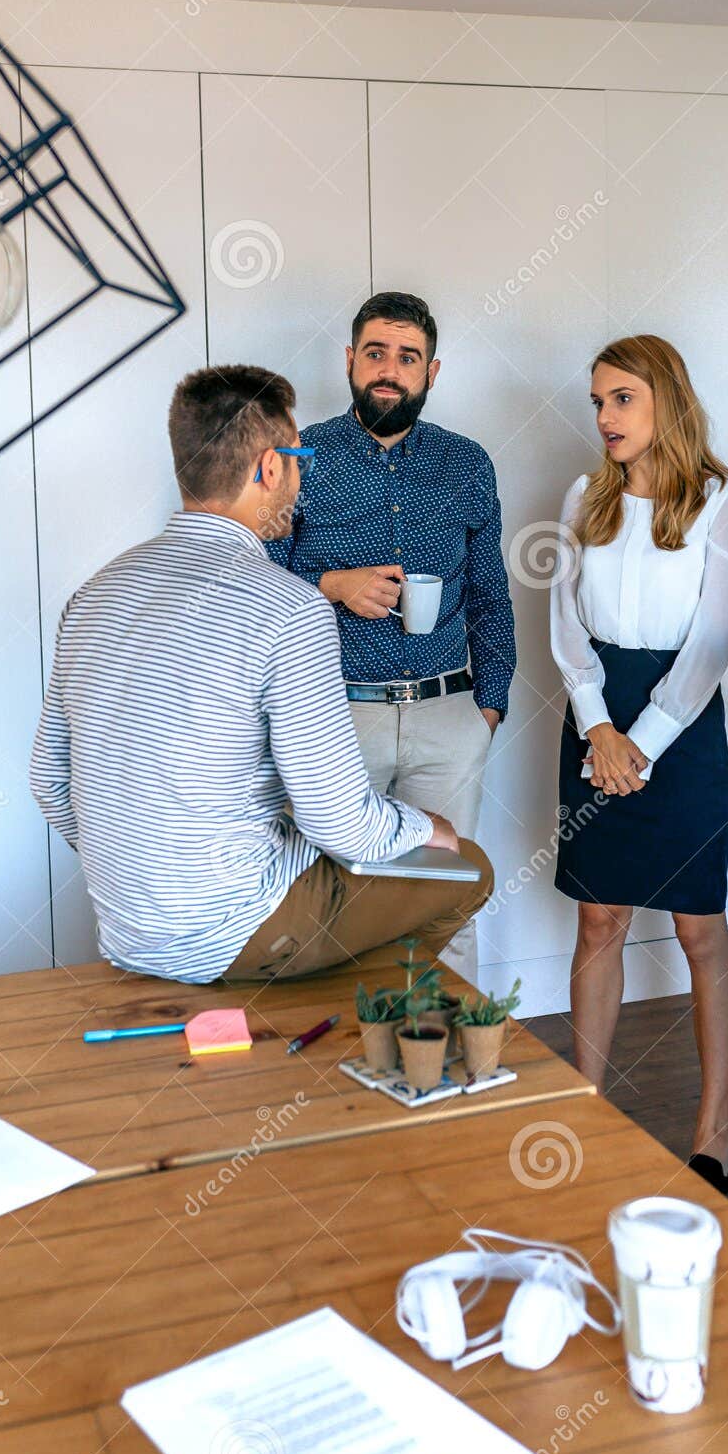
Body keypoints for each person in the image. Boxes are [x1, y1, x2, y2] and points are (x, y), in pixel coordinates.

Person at [30, 363, 493, 986]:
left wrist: (143, 875)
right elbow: (339, 821)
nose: (300, 479)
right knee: (469, 870)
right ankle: (345, 1014)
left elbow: (47, 781)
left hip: (124, 927)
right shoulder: (288, 608)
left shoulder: (96, 594)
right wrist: (428, 827)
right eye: (296, 459)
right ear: (270, 467)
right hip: (237, 931)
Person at [551, 334, 728, 1192]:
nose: (604, 417)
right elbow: (564, 622)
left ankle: (715, 1129)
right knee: (599, 921)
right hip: (595, 719)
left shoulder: (724, 501)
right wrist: (600, 730)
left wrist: (644, 743)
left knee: (698, 929)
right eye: (598, 400)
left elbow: (711, 644)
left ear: (666, 400)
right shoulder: (581, 497)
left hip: (683, 723)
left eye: (622, 399)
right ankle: (589, 1106)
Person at [265, 291, 516, 984]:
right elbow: (257, 589)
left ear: (431, 372)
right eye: (376, 353)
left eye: (408, 358)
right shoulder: (300, 456)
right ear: (350, 361)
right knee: (324, 908)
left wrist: (486, 711)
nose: (390, 369)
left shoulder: (468, 465)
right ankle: (338, 1075)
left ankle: (458, 1072)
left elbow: (492, 598)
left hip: (448, 717)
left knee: (449, 909)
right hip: (333, 719)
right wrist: (332, 585)